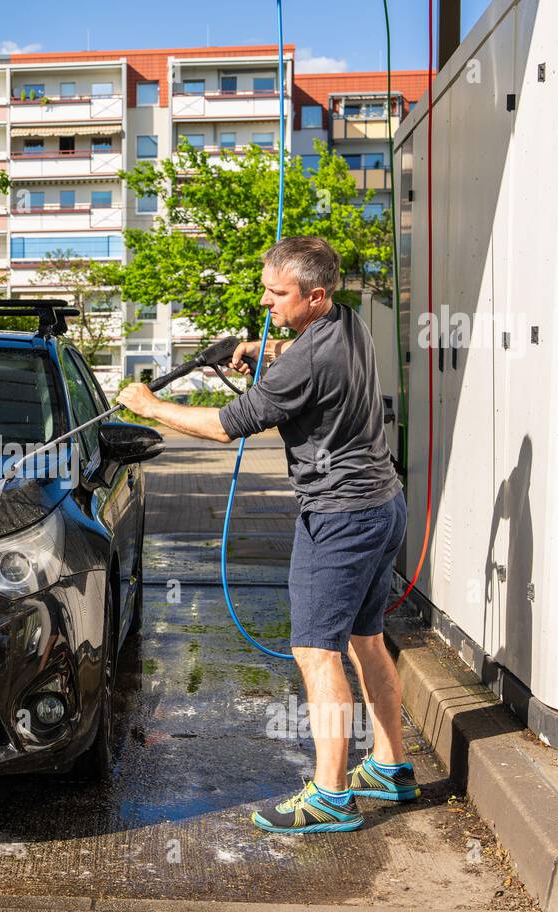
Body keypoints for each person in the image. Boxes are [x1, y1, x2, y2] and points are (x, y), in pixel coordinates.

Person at [115, 235, 418, 834]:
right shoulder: (348, 324)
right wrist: (259, 348)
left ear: (316, 294)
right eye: (266, 288)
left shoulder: (305, 363)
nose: (266, 299)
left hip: (338, 520)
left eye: (278, 293)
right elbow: (297, 350)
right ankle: (390, 765)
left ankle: (329, 798)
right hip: (383, 507)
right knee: (366, 639)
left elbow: (224, 427)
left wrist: (147, 405)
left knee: (315, 652)